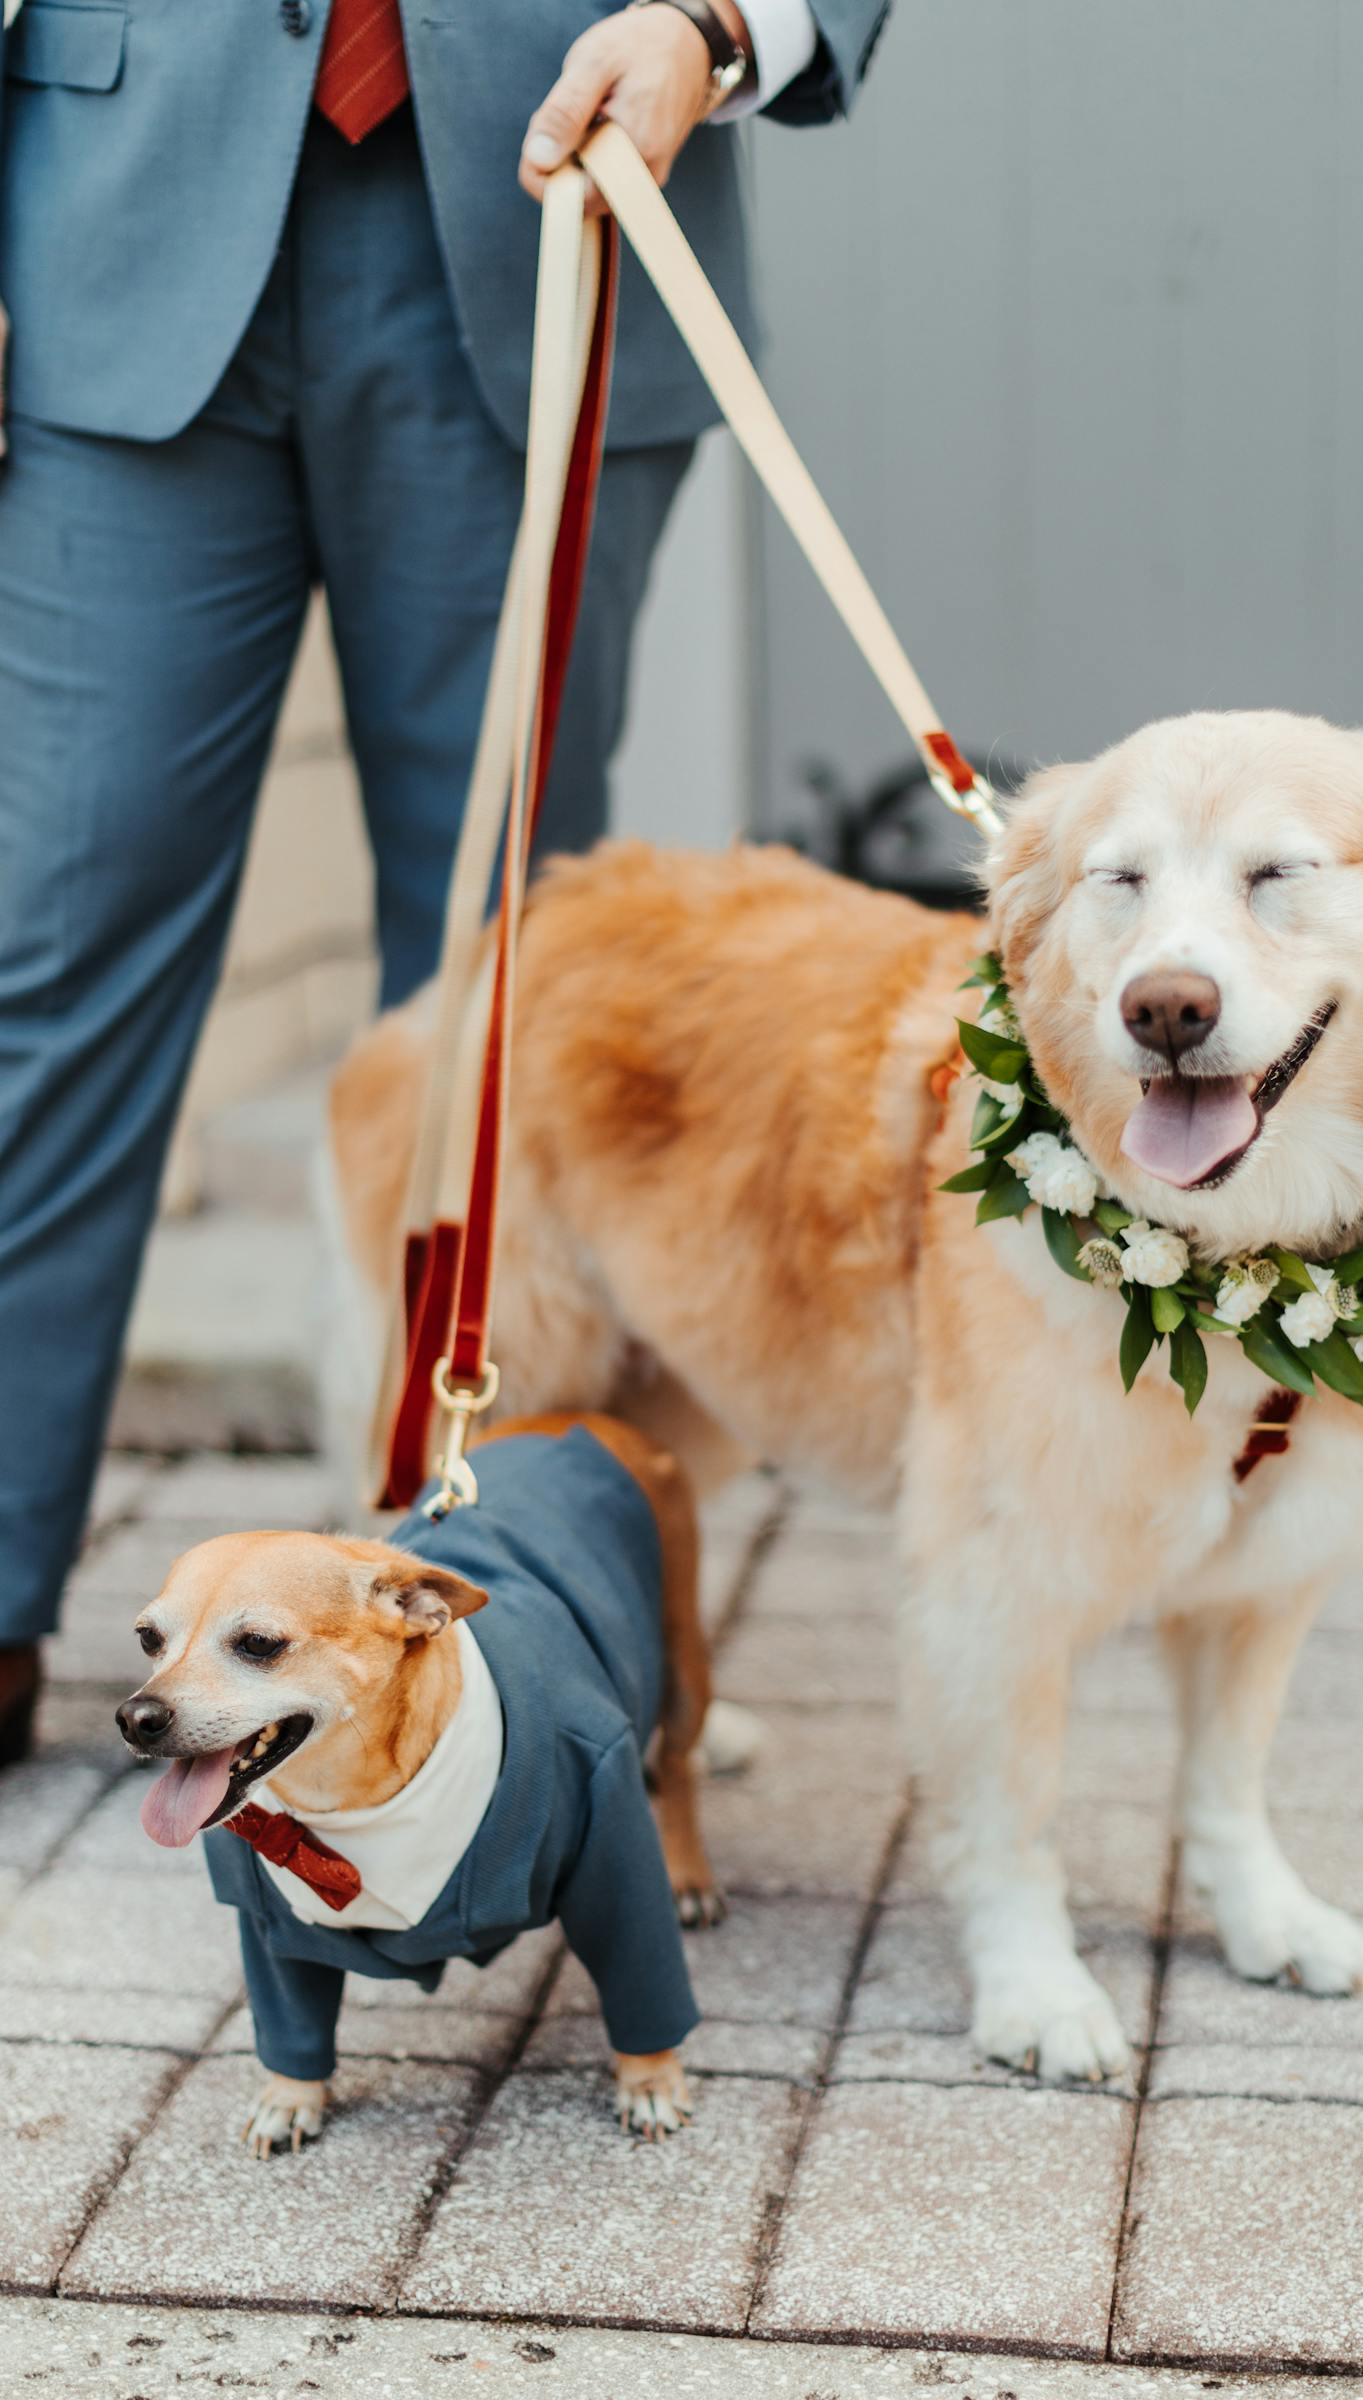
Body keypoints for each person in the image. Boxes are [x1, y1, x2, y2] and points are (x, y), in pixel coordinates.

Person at [0, 0, 891, 1766]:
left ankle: (485, 1627)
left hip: (556, 210)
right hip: (115, 214)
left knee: (514, 1002)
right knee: (52, 957)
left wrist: (723, 30)